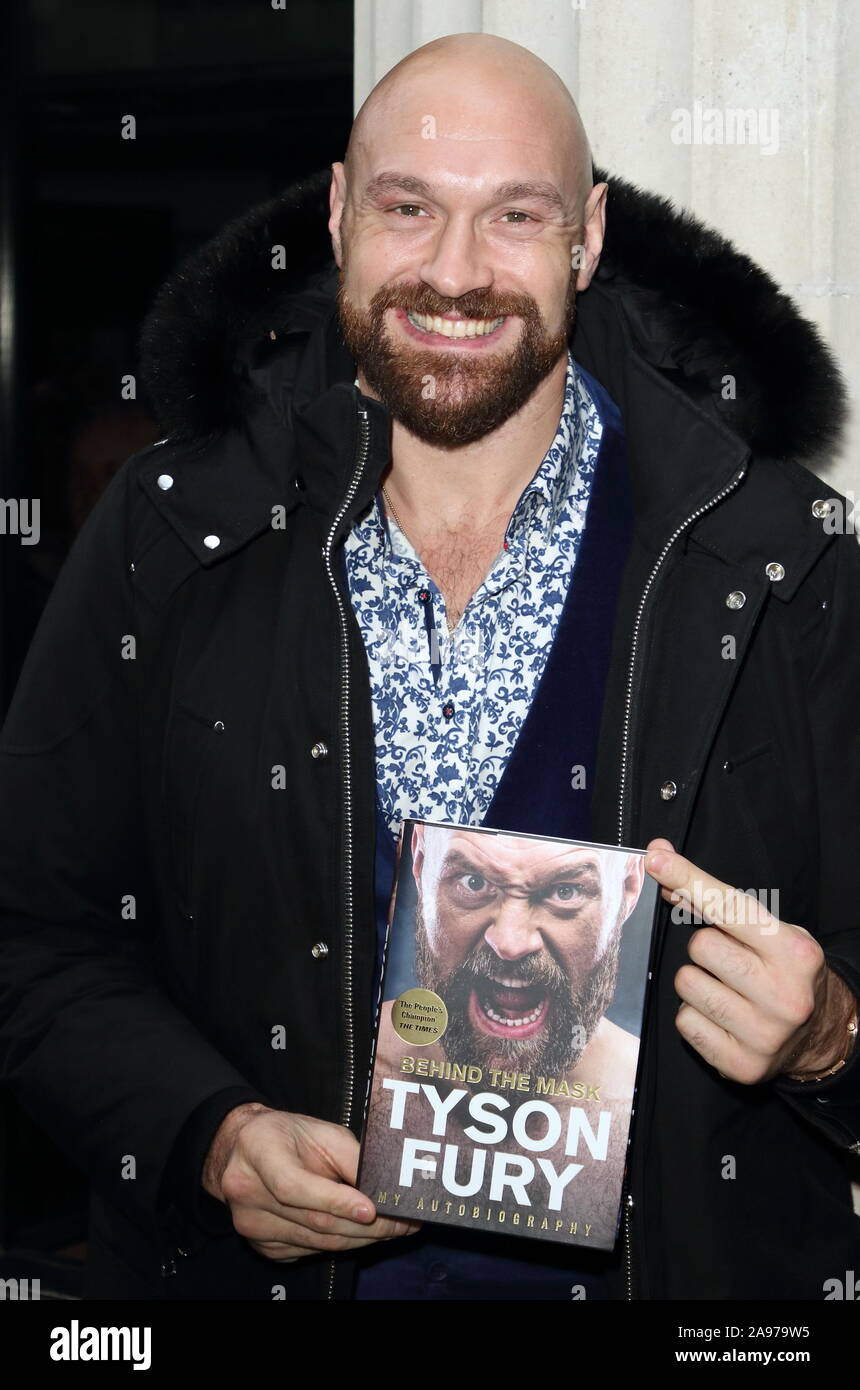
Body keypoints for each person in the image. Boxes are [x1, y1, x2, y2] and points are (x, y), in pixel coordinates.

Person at [0, 32, 857, 1302]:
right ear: (342, 212)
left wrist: (827, 1037)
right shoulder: (171, 528)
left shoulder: (774, 554)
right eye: (410, 207)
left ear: (588, 237)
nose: (455, 275)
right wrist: (206, 1135)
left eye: (514, 215)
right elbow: (34, 937)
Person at [359, 824, 648, 1249]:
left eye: (565, 892)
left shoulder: (656, 1112)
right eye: (473, 882)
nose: (510, 943)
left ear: (627, 889)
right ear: (419, 866)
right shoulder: (349, 1065)